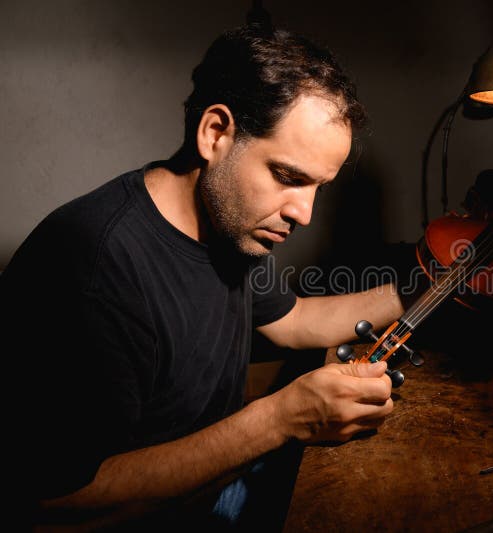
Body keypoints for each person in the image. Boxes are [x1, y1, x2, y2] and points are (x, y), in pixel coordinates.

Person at [2, 22, 405, 530]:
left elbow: (297, 320)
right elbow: (54, 500)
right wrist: (280, 419)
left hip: (217, 485)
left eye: (318, 187)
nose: (303, 213)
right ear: (216, 133)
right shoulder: (92, 267)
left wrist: (430, 280)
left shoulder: (232, 225)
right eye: (288, 177)